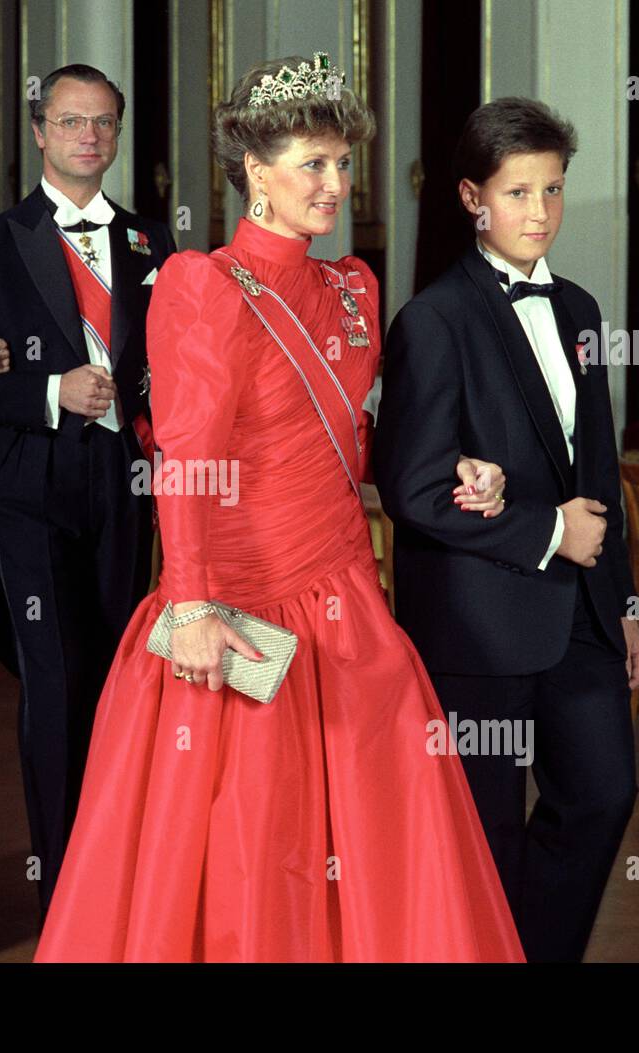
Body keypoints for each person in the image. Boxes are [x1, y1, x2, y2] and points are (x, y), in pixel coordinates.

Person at [34, 54, 523, 962]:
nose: (335, 184)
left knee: (380, 826)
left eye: (343, 164)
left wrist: (456, 464)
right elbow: (188, 458)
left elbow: (348, 440)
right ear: (256, 169)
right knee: (257, 846)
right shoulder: (201, 284)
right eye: (313, 163)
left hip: (347, 599)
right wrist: (190, 606)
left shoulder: (354, 290)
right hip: (237, 603)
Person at [372, 97, 639, 962]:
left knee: (603, 795)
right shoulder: (434, 321)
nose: (540, 212)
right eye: (519, 191)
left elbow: (599, 470)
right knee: (485, 831)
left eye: (554, 190)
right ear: (471, 197)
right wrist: (543, 532)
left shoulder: (582, 311)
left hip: (584, 616)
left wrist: (625, 600)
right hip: (477, 623)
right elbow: (411, 484)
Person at [0, 63, 175, 917]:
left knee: (111, 673)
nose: (89, 137)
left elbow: (176, 368)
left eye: (103, 122)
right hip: (30, 485)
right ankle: (63, 881)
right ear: (39, 131)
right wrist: (45, 390)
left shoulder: (152, 245)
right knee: (54, 676)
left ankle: (112, 862)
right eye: (71, 122)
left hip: (124, 484)